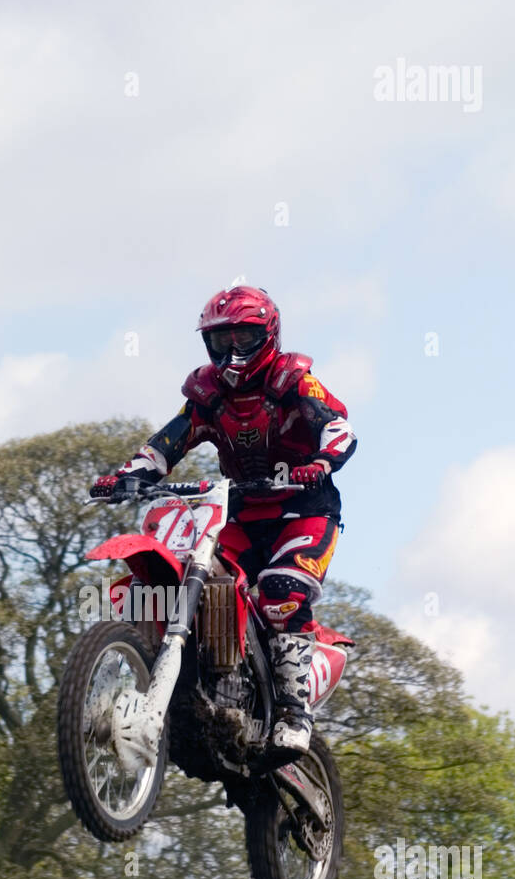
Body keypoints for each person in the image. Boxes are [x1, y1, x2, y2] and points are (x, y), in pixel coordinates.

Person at [90, 285, 357, 753]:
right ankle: (203, 677)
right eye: (221, 340)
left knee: (281, 591)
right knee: (196, 569)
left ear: (268, 335)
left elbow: (337, 423)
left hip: (304, 509)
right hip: (240, 510)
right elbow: (169, 440)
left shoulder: (293, 380)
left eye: (244, 338)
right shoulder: (207, 394)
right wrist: (129, 475)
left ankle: (295, 711)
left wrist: (321, 461)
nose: (232, 351)